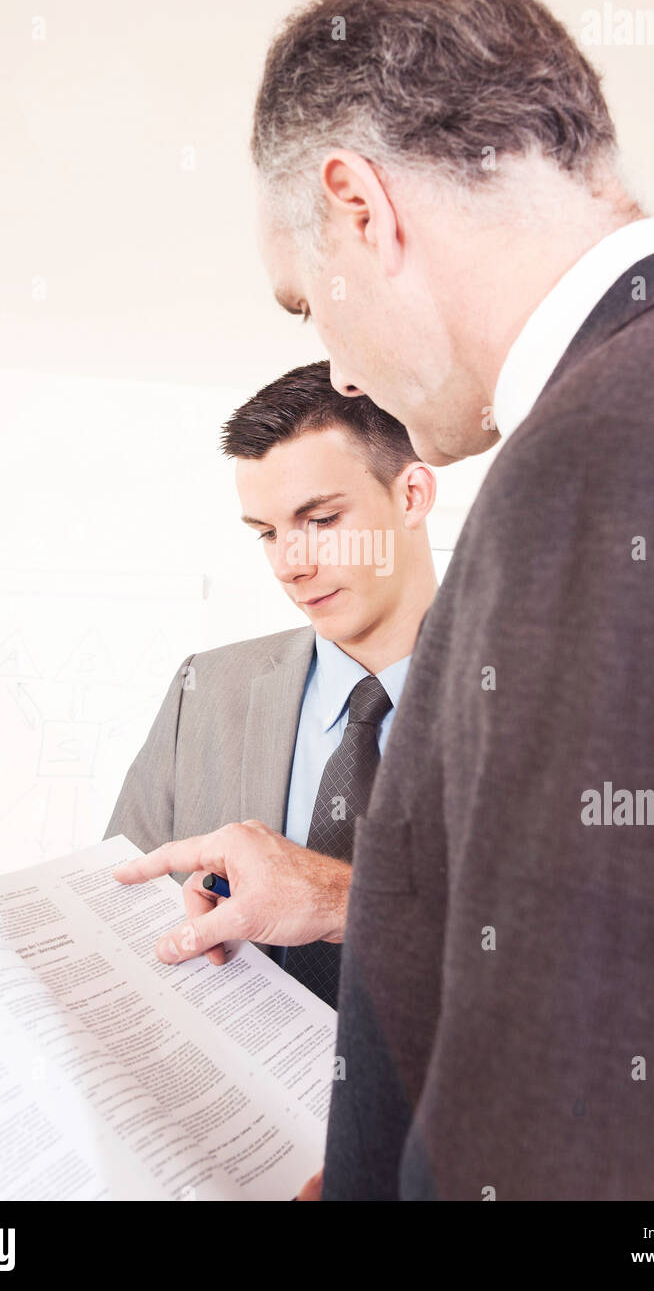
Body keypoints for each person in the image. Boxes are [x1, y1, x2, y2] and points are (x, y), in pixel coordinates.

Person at [115, 0, 654, 1199]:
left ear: (355, 204)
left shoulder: (613, 445)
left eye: (306, 300)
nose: (336, 358)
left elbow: (592, 1092)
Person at [104, 359, 438, 1007]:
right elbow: (120, 910)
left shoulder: (546, 700)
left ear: (412, 496)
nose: (291, 564)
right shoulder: (205, 690)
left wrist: (342, 898)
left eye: (321, 520)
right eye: (266, 533)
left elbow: (593, 944)